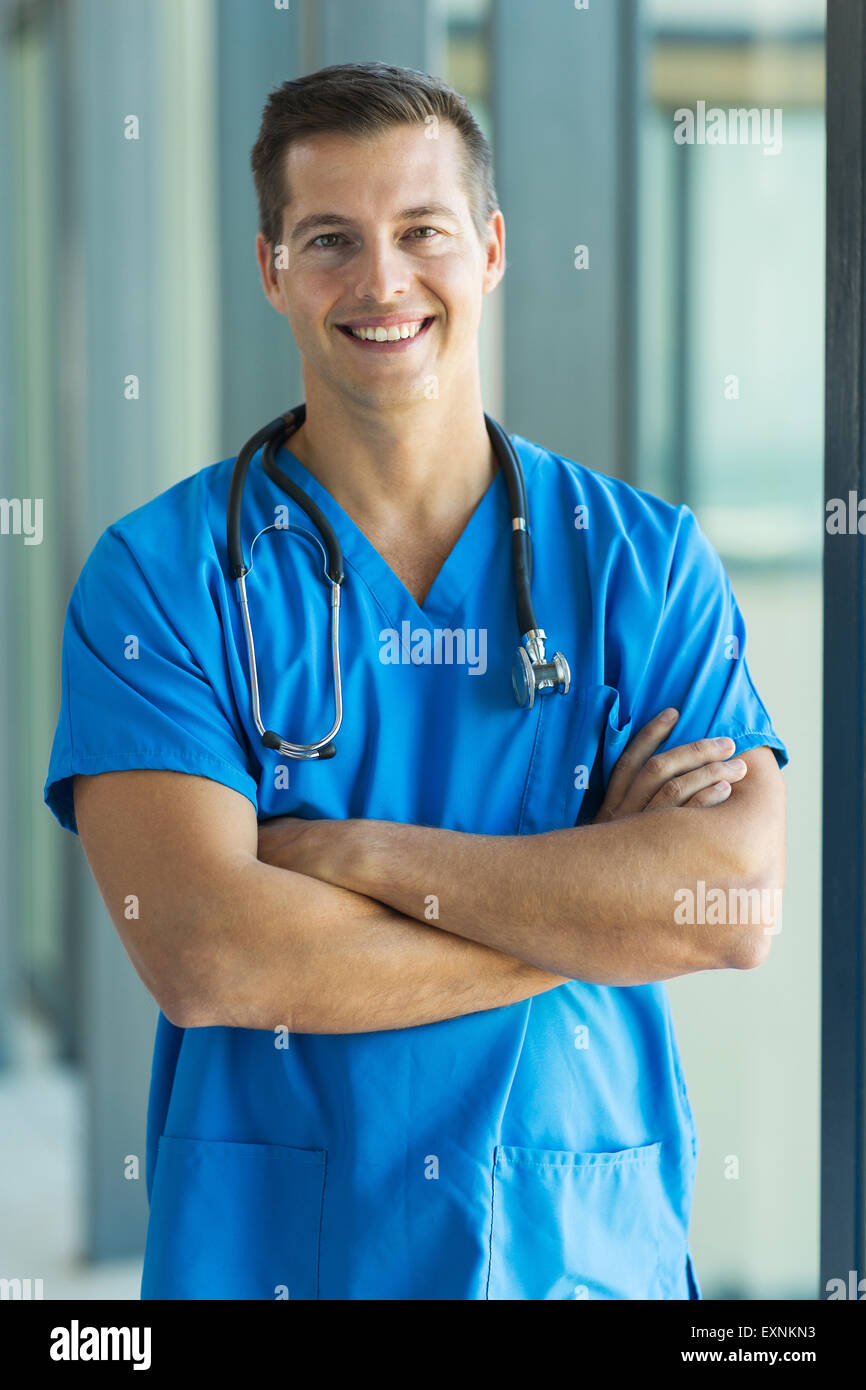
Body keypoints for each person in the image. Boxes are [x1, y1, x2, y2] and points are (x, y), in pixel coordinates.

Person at [44, 61, 788, 1301]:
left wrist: (356, 858)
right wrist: (592, 906)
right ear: (271, 269)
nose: (382, 282)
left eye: (421, 232)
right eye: (329, 239)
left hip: (576, 1253)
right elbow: (210, 955)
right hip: (274, 1260)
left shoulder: (639, 564)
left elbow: (727, 907)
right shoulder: (163, 580)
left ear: (489, 248)